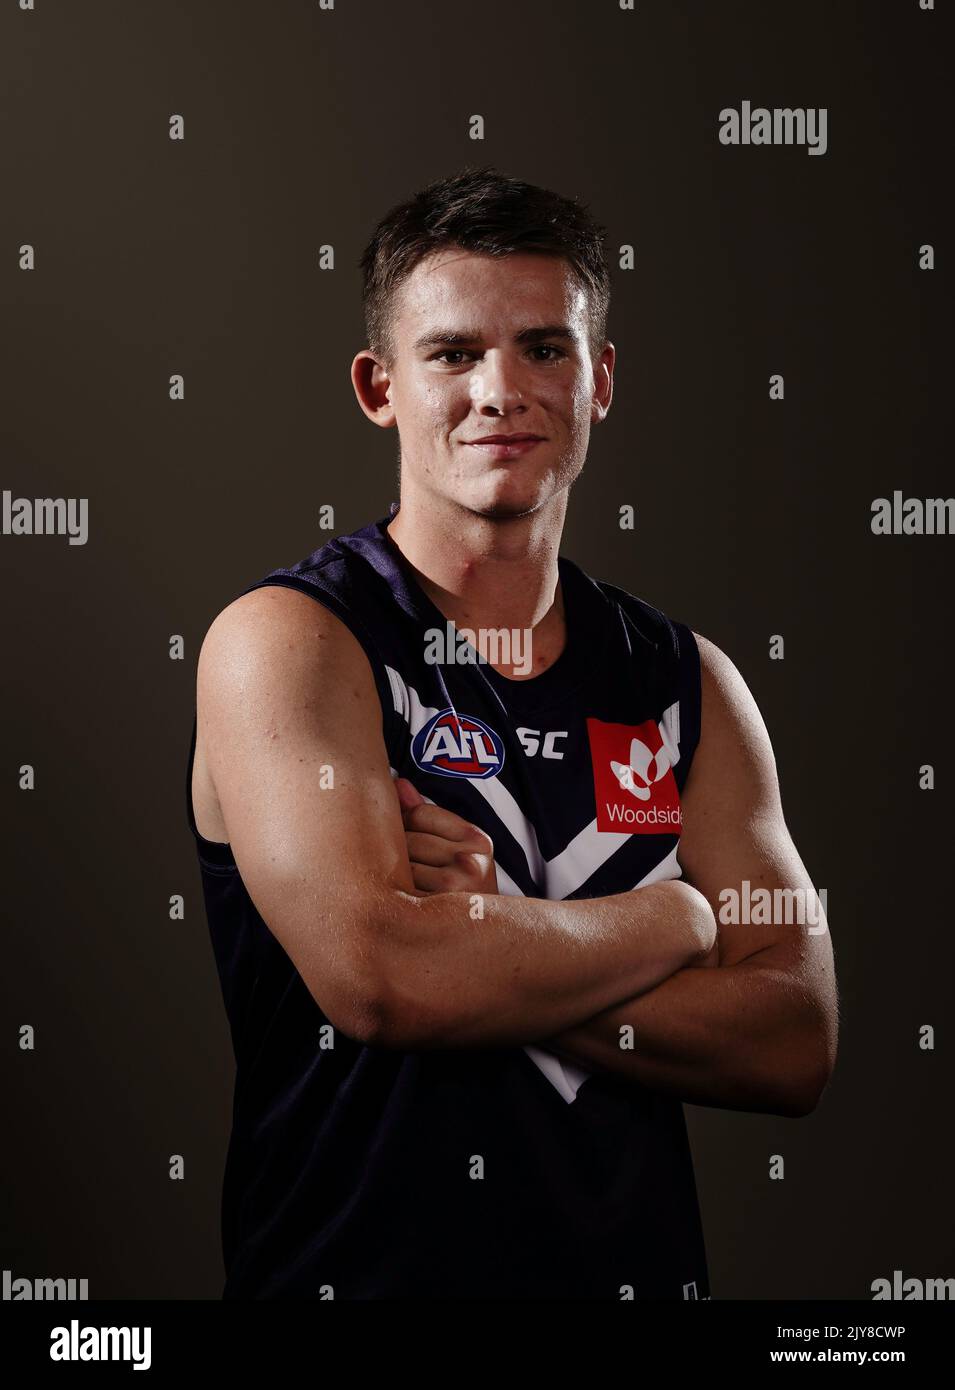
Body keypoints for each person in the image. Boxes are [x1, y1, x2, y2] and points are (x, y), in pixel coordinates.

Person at [186, 165, 838, 1300]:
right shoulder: (291, 641)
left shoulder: (686, 680)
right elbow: (383, 980)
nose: (501, 390)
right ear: (377, 387)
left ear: (600, 383)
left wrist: (502, 936)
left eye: (545, 348)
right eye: (452, 354)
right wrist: (675, 916)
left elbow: (794, 1041)